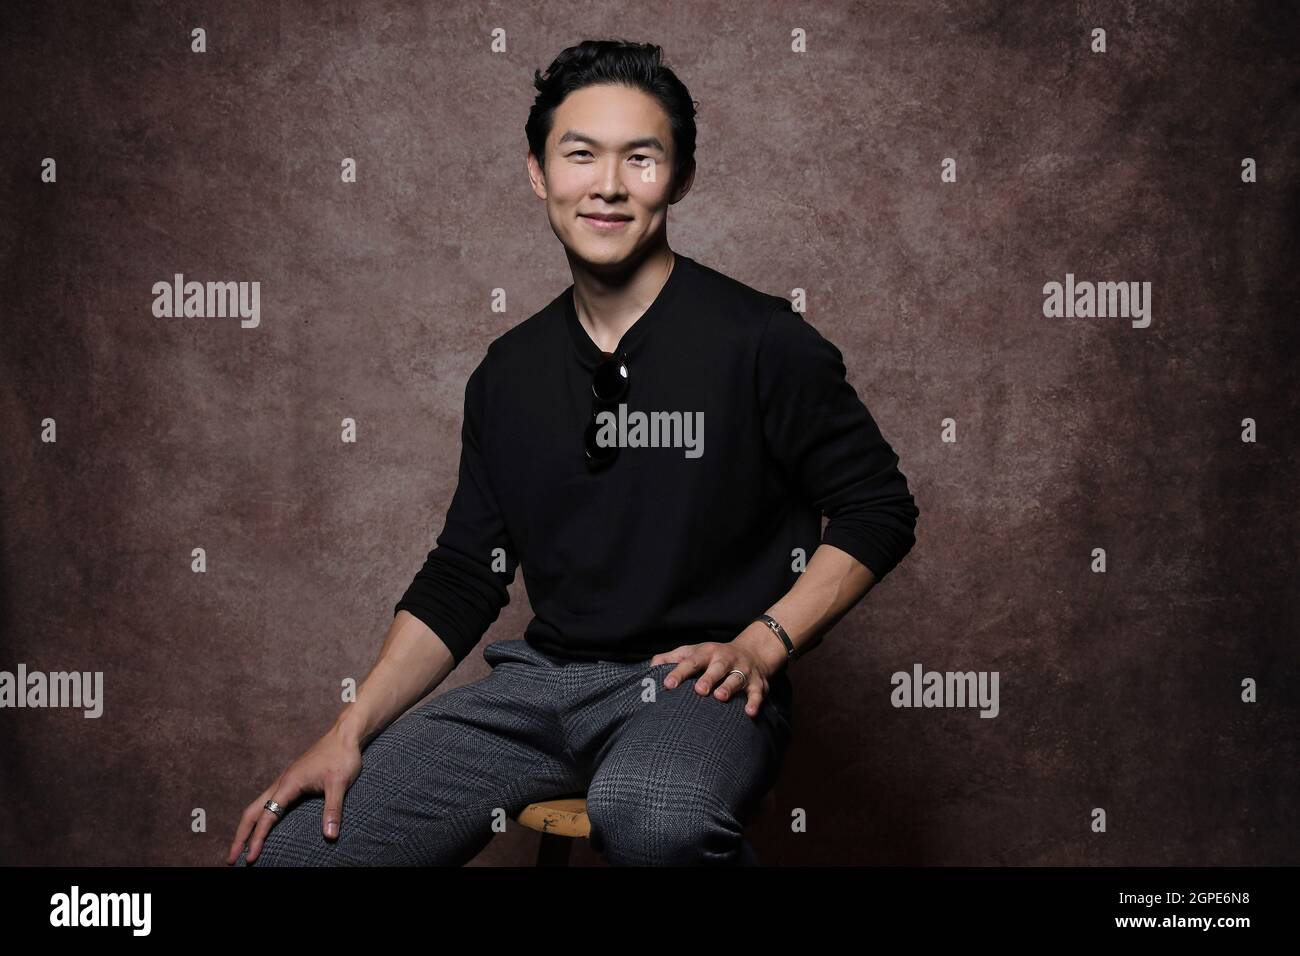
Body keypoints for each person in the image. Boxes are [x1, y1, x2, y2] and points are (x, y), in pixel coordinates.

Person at [228, 38, 918, 867]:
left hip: (695, 688)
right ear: (538, 173)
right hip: (536, 690)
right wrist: (345, 732)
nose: (608, 185)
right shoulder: (506, 373)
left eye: (642, 158)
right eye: (581, 154)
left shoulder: (763, 340)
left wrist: (762, 643)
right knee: (294, 852)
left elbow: (880, 507)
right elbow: (463, 575)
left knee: (654, 813)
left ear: (681, 178)